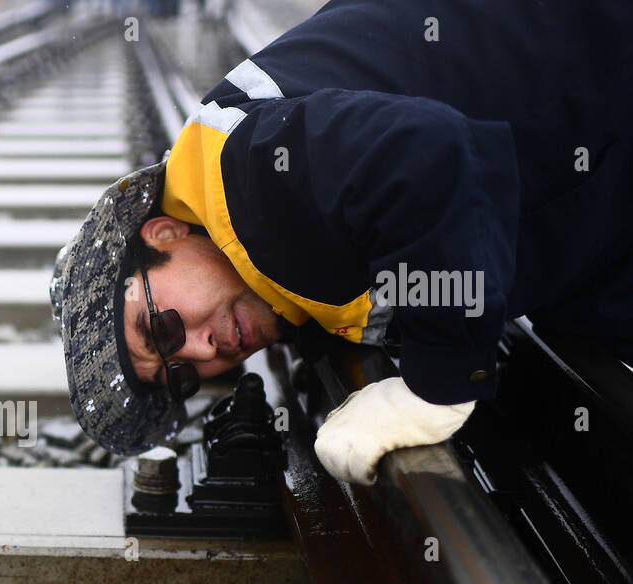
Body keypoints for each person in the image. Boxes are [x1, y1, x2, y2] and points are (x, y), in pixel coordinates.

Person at [49, 0, 633, 484]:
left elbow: (428, 158)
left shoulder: (252, 180)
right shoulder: (262, 237)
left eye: (163, 328)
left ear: (164, 232)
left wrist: (439, 385)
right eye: (179, 376)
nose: (200, 355)